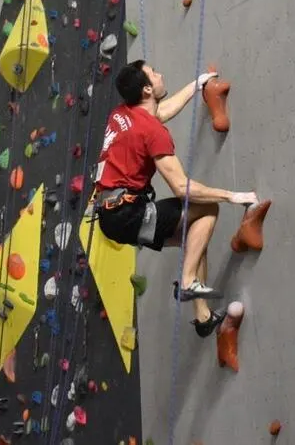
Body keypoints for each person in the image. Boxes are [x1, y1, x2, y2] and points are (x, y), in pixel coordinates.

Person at [93, 60, 260, 338]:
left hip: (113, 213)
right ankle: (187, 282)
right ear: (147, 89)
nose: (160, 74)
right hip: (127, 213)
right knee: (206, 209)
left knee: (196, 234)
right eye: (154, 73)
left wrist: (197, 84)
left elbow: (159, 112)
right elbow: (182, 187)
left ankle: (203, 317)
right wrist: (234, 196)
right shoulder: (151, 132)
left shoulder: (123, 113)